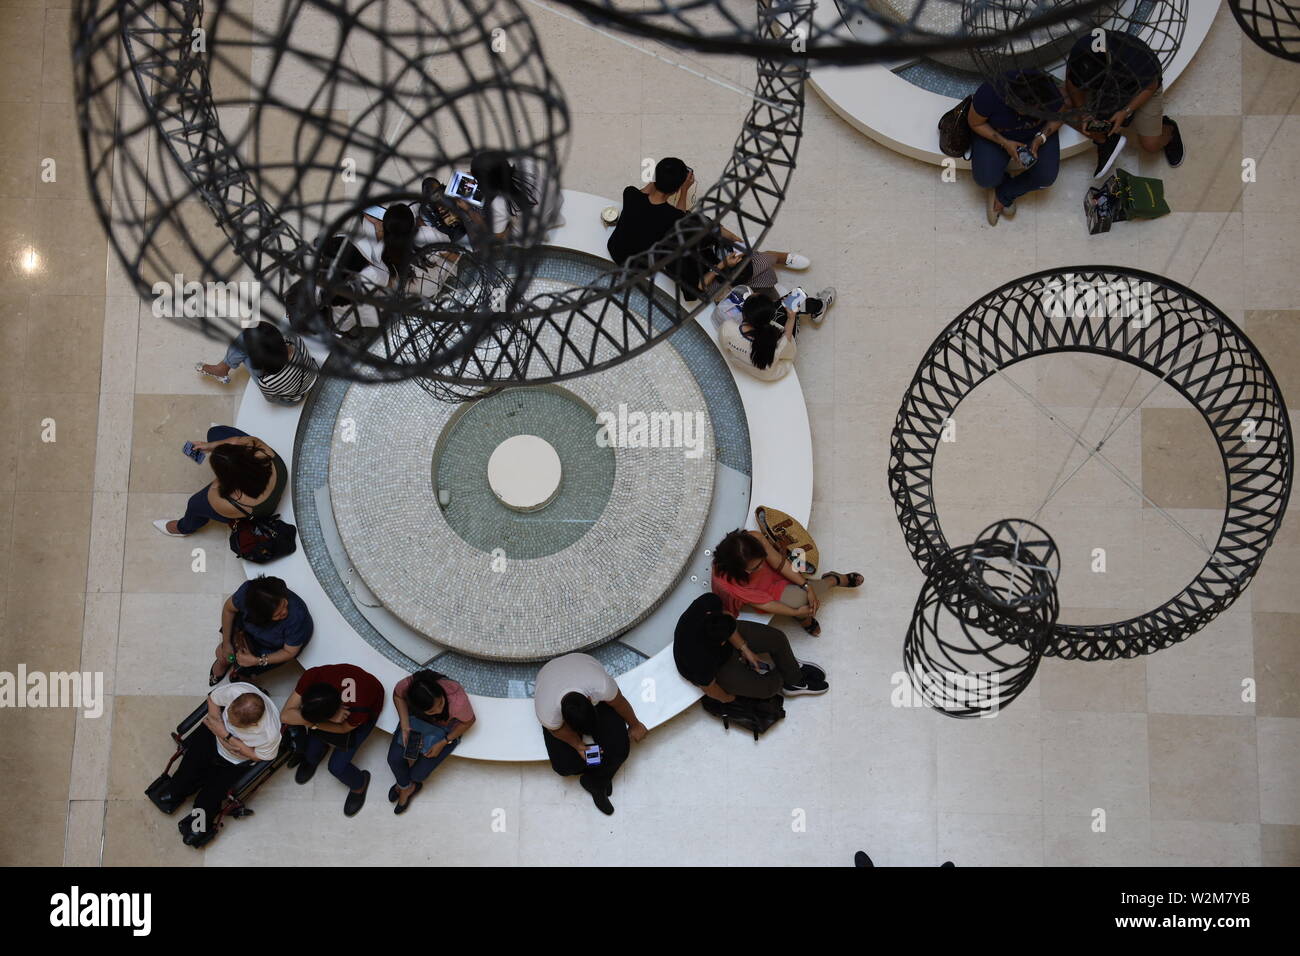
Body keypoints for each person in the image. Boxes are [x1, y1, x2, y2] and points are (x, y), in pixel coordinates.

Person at [161, 681, 281, 847]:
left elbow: (259, 756)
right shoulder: (237, 692)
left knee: (210, 796)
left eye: (235, 724)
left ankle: (199, 825)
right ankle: (176, 791)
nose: (230, 723)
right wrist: (216, 720)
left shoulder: (269, 733)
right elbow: (213, 700)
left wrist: (226, 736)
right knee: (188, 768)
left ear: (253, 725)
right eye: (230, 715)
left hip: (235, 761)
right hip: (212, 736)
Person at [534, 652, 647, 816]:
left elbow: (619, 702)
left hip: (582, 668)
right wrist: (579, 746)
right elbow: (557, 730)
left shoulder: (600, 686)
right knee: (564, 767)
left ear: (590, 699)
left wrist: (635, 724)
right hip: (549, 680)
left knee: (619, 751)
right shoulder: (549, 714)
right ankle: (597, 775)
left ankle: (594, 782)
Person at [1065, 28, 1184, 178]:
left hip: (1140, 87)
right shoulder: (1080, 52)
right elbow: (1071, 83)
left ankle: (1169, 129)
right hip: (1109, 86)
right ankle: (1104, 141)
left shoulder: (1133, 58)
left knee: (1151, 145)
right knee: (1062, 102)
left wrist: (1126, 111)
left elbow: (1150, 86)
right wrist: (1084, 113)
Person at [674, 592, 828, 701]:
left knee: (777, 638)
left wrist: (744, 648)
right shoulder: (699, 662)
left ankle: (793, 674)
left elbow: (726, 616)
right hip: (717, 665)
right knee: (767, 689)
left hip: (715, 632)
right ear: (722, 643)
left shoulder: (708, 603)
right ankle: (785, 676)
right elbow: (710, 689)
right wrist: (727, 699)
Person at [711, 528, 864, 637]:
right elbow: (765, 603)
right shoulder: (727, 584)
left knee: (805, 593)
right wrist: (795, 612)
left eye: (762, 561)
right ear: (739, 570)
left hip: (772, 579)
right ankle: (833, 580)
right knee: (801, 600)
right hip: (761, 593)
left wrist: (807, 586)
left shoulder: (753, 539)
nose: (761, 566)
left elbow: (778, 562)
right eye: (755, 568)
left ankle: (829, 581)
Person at [280, 663, 384, 817]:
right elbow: (285, 715)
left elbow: (344, 729)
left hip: (362, 717)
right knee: (312, 749)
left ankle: (359, 784)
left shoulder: (359, 707)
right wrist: (315, 723)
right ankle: (313, 757)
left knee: (337, 767)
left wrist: (313, 724)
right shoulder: (312, 676)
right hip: (329, 716)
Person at [967, 69, 1065, 226]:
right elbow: (975, 122)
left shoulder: (1048, 90)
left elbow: (1060, 116)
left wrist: (1041, 138)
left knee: (1047, 177)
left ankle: (1005, 193)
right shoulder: (990, 91)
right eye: (1017, 107)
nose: (1020, 113)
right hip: (996, 135)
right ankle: (999, 180)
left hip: (1035, 135)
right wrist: (1005, 143)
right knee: (984, 179)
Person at [152, 426, 286, 537]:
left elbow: (214, 492)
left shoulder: (228, 502)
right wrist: (209, 446)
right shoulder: (257, 446)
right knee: (215, 433)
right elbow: (237, 441)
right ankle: (226, 456)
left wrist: (222, 478)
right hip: (279, 478)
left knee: (195, 504)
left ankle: (183, 528)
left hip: (263, 509)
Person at [387, 670, 476, 814]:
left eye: (440, 703)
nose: (439, 709)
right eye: (432, 710)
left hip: (445, 730)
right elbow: (398, 695)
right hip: (417, 721)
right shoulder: (409, 686)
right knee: (394, 759)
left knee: (418, 775)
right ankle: (406, 787)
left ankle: (404, 785)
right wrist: (405, 726)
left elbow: (468, 721)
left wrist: (444, 742)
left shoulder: (457, 700)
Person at [713, 286, 835, 382]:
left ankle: (797, 305)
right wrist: (791, 318)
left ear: (743, 313)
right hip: (773, 372)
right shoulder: (776, 344)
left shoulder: (727, 328)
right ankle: (819, 308)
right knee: (788, 307)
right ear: (770, 321)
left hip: (741, 363)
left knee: (782, 305)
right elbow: (789, 354)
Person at [209, 576, 312, 685]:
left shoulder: (297, 617)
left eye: (285, 604)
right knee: (222, 653)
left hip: (273, 647)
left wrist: (258, 661)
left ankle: (243, 676)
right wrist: (226, 643)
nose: (285, 612)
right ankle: (223, 663)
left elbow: (289, 652)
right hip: (247, 630)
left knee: (246, 671)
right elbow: (229, 609)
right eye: (278, 614)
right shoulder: (248, 592)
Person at [195, 320, 320, 404]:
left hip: (293, 399)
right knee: (257, 337)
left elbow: (270, 399)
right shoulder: (296, 342)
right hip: (312, 377)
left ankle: (222, 369)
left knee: (242, 342)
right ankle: (223, 368)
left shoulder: (267, 382)